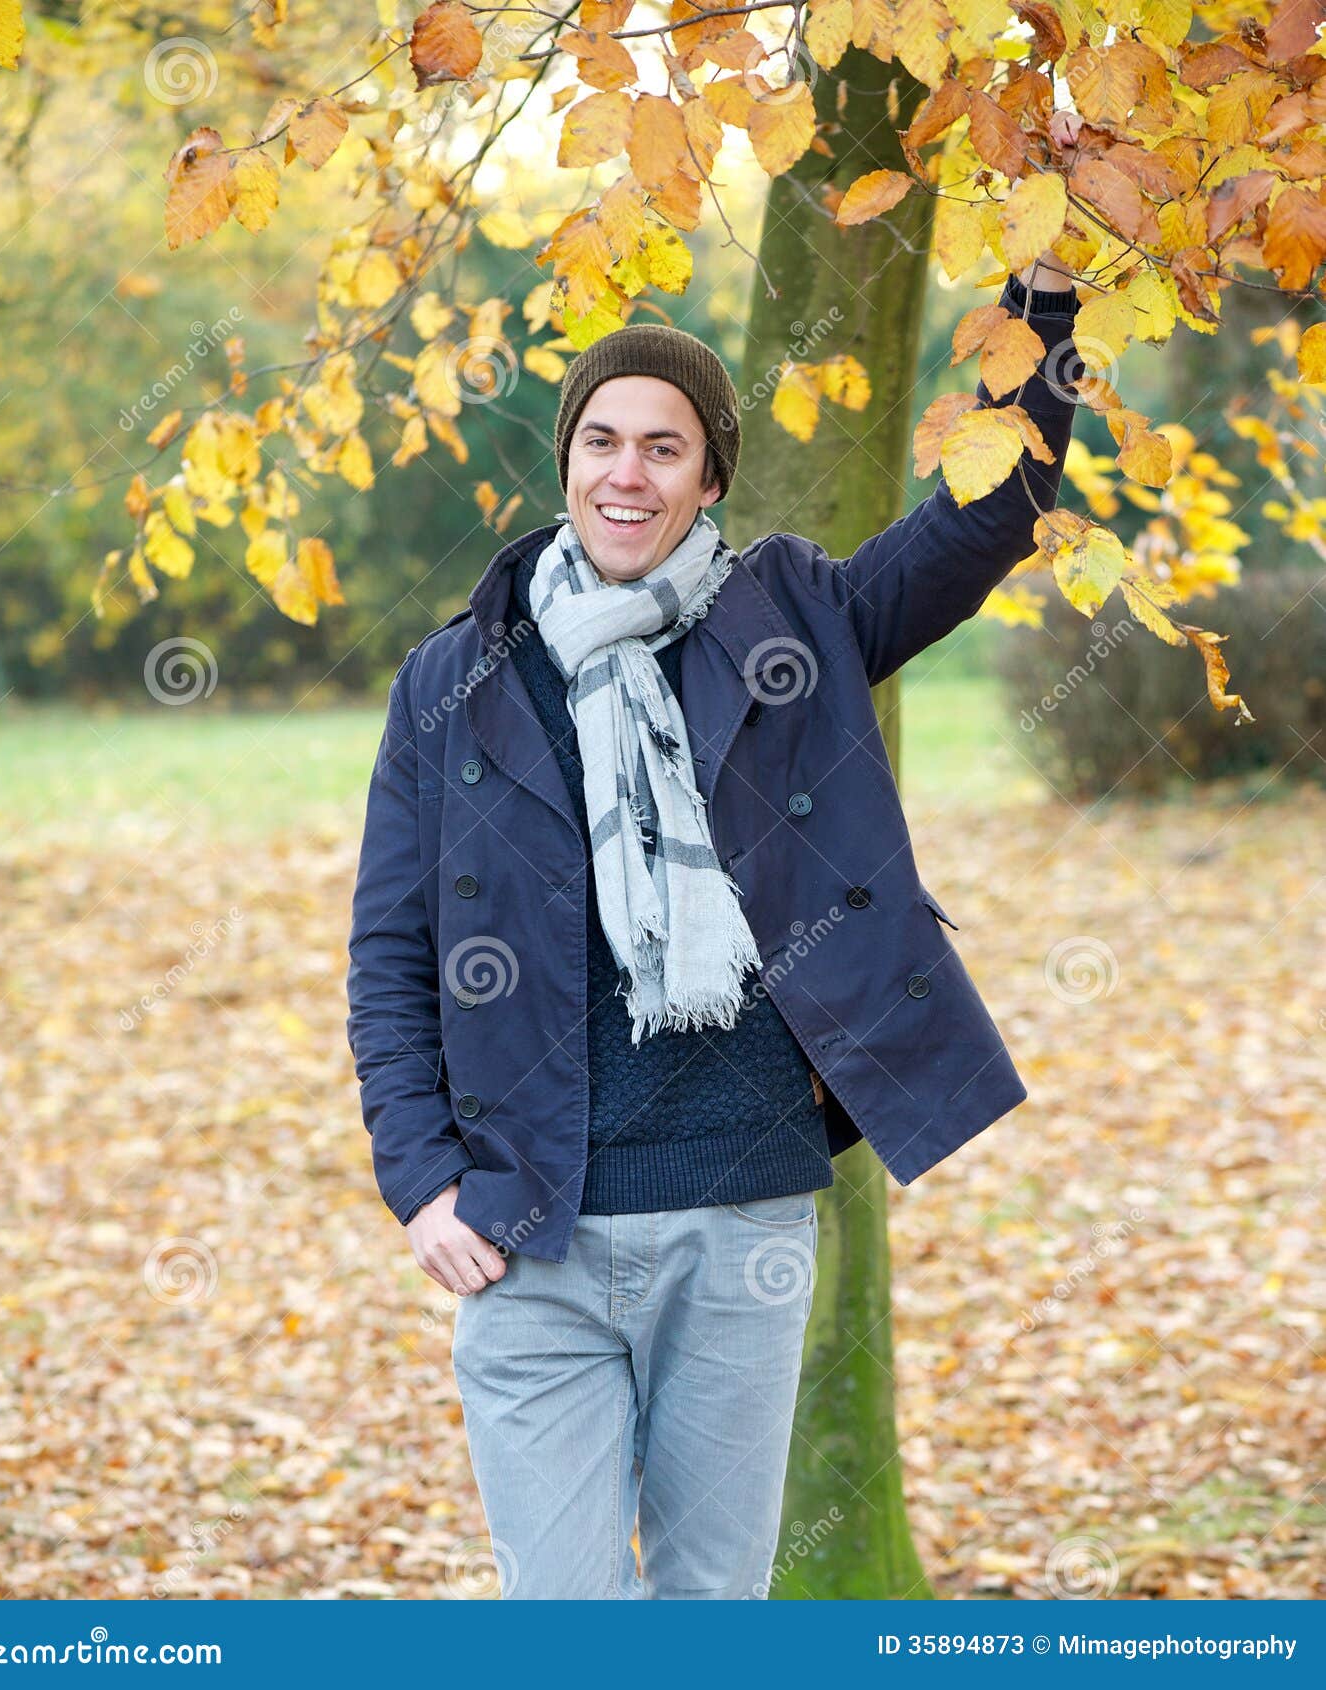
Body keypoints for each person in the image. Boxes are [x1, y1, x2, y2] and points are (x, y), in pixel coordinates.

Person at [345, 252, 1081, 1599]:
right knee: (565, 1617)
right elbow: (390, 955)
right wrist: (420, 1179)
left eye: (664, 447)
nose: (628, 472)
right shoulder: (455, 679)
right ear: (567, 463)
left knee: (711, 1611)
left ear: (708, 477)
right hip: (527, 1228)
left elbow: (986, 515)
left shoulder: (793, 614)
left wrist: (1044, 307)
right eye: (603, 441)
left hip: (739, 1215)